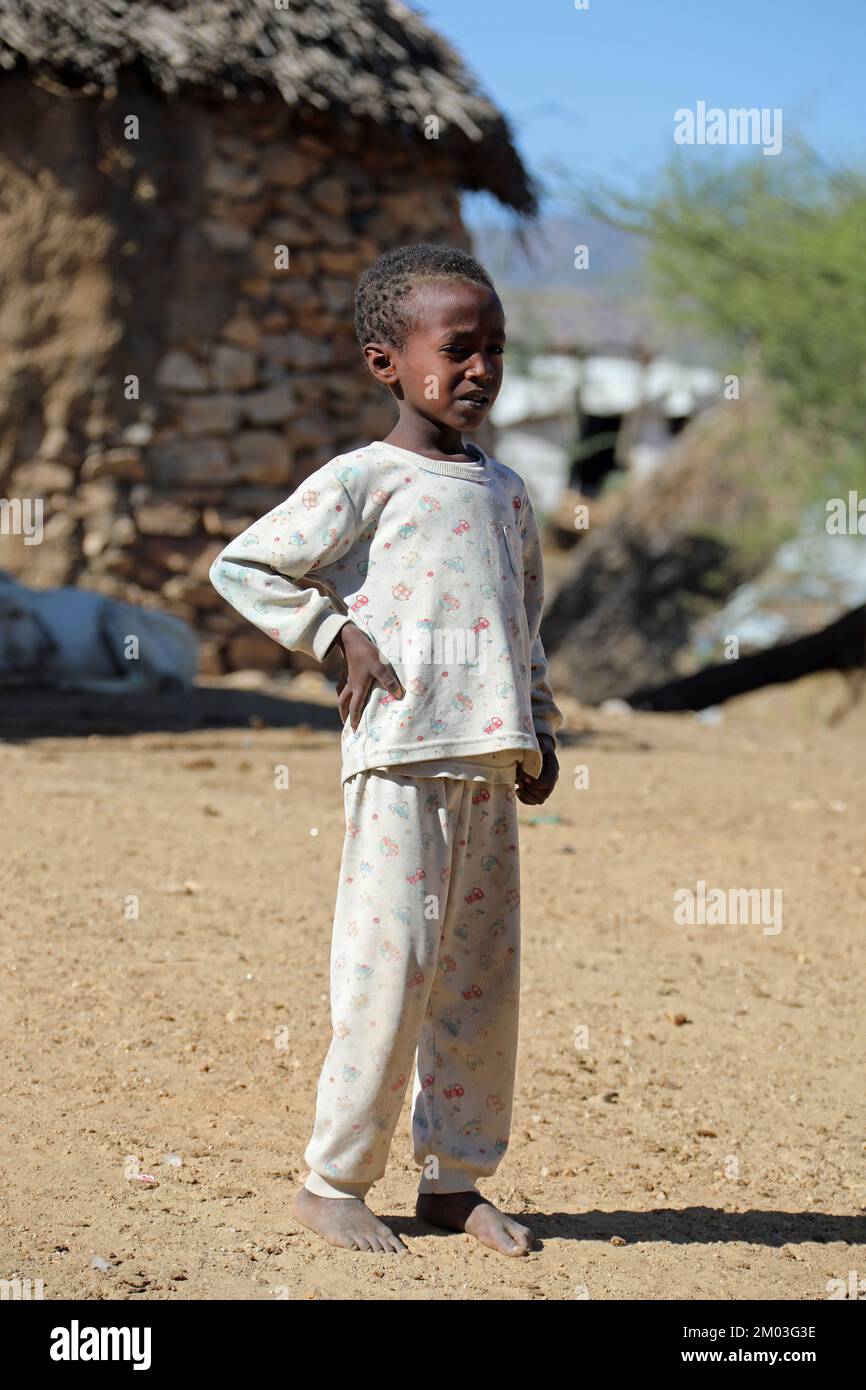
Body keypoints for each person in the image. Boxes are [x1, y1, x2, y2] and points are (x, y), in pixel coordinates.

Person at [210, 243, 563, 1256]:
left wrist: (536, 723)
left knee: (477, 985)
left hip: (488, 767)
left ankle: (453, 1180)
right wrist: (335, 634)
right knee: (389, 968)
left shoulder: (504, 491)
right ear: (385, 364)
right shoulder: (364, 478)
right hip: (401, 759)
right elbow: (246, 564)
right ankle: (331, 1180)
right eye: (456, 350)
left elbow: (523, 616)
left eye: (493, 350)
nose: (479, 370)